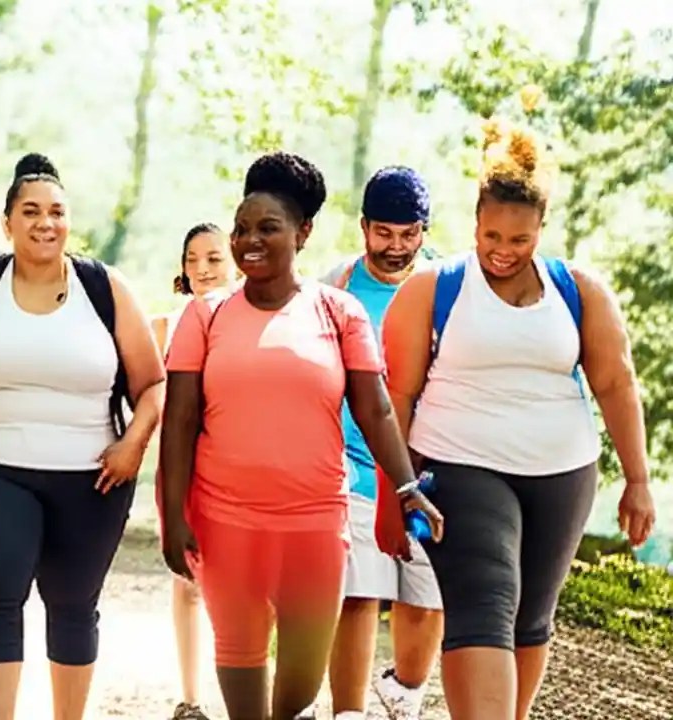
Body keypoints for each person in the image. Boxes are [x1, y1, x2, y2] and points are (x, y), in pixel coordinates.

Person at [378, 120, 657, 720]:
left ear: (541, 230)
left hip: (562, 470)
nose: (502, 249)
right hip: (459, 462)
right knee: (484, 604)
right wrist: (391, 490)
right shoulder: (433, 289)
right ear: (474, 222)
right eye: (490, 235)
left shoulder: (578, 289)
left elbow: (614, 382)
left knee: (532, 619)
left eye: (519, 239)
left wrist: (637, 478)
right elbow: (395, 397)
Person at [158, 151, 443, 720]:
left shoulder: (340, 313)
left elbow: (377, 411)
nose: (249, 241)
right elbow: (181, 422)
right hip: (225, 522)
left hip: (315, 525)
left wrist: (407, 487)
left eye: (268, 228)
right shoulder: (205, 315)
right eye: (241, 229)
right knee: (244, 691)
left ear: (303, 232)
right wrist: (172, 512)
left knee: (298, 696)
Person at [0, 153, 166, 720]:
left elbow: (153, 385)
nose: (45, 222)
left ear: (69, 222)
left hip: (92, 473)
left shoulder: (106, 287)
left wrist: (134, 445)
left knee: (73, 606)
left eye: (56, 212)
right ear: (7, 223)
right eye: (30, 211)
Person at [318, 167, 444, 720]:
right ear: (364, 227)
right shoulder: (335, 285)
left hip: (429, 466)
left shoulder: (447, 288)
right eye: (384, 233)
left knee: (426, 600)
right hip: (351, 465)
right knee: (358, 592)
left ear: (424, 230)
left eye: (408, 234)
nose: (396, 247)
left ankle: (405, 690)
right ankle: (348, 712)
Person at [152, 222, 236, 720]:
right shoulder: (164, 325)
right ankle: (190, 699)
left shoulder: (247, 318)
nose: (202, 270)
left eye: (213, 258)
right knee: (187, 581)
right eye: (192, 260)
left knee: (244, 583)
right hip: (181, 465)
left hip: (233, 464)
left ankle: (244, 693)